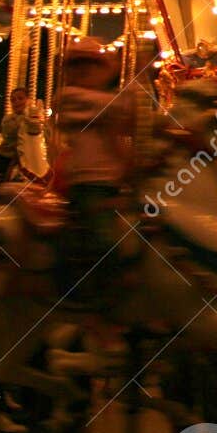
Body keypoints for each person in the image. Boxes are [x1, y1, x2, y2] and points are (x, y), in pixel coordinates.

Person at [53, 38, 133, 303]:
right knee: (105, 241)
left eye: (92, 65)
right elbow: (119, 108)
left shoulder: (104, 101)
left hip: (112, 180)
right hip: (88, 182)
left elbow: (123, 125)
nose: (85, 71)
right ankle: (96, 305)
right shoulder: (70, 97)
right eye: (78, 65)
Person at [0, 87, 46, 177]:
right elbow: (12, 134)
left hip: (30, 154)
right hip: (9, 156)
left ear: (28, 100)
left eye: (20, 98)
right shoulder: (8, 119)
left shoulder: (33, 117)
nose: (17, 102)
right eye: (13, 100)